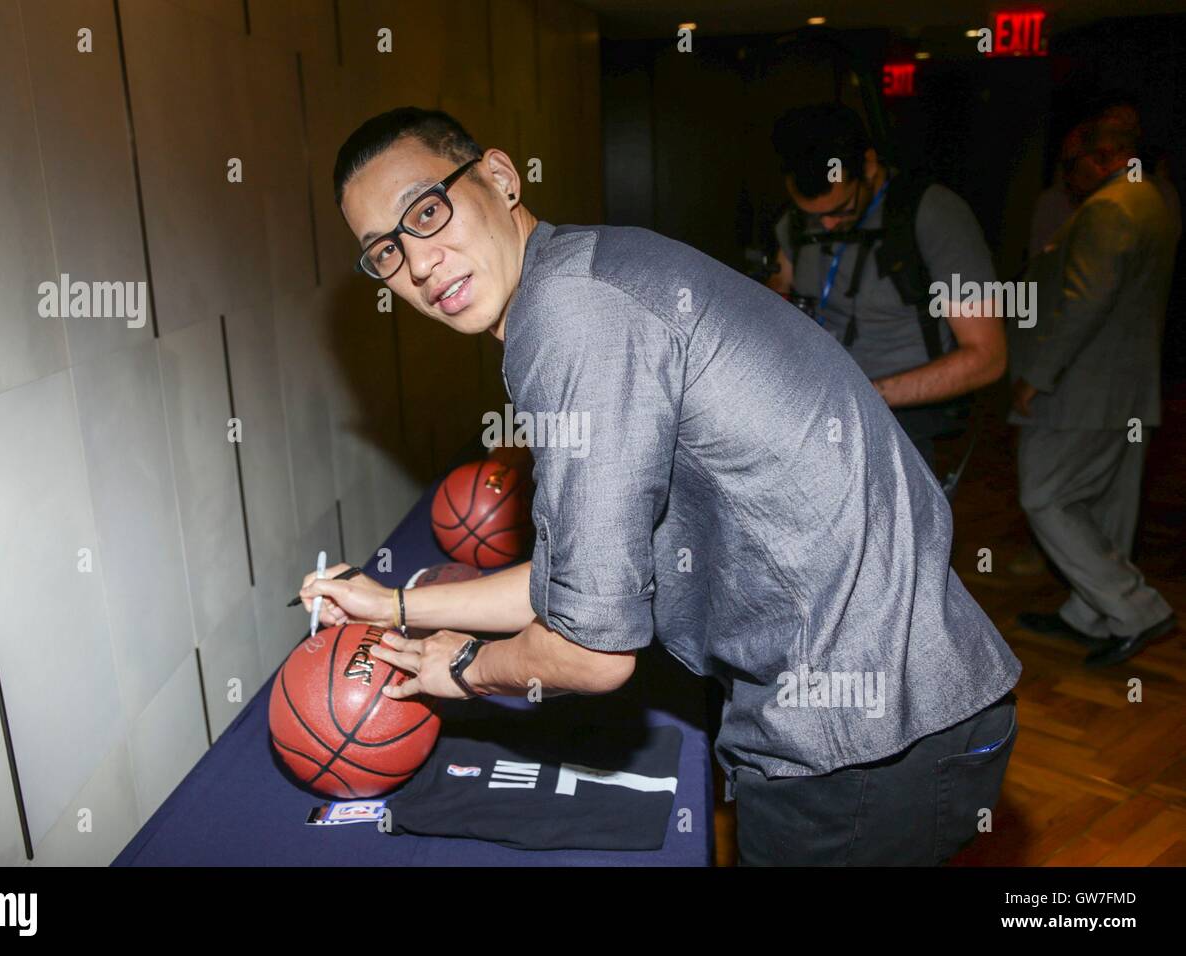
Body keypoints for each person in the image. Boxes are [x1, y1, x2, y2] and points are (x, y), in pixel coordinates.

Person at [301, 106, 1021, 865]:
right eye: (383, 250)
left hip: (863, 748)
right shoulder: (586, 272)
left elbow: (588, 648)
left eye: (426, 210)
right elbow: (575, 588)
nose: (417, 264)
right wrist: (397, 605)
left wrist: (464, 668)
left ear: (501, 179)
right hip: (922, 710)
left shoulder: (572, 317)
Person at [1011, 105, 1179, 666]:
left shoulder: (1108, 209)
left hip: (1085, 388)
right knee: (1107, 506)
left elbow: (1085, 303)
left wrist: (1037, 376)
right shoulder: (1155, 202)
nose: (1066, 178)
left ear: (1106, 156)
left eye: (1072, 163)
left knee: (1045, 494)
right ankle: (1090, 613)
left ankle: (1136, 609)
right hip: (1130, 388)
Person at [767, 103, 1007, 475]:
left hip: (902, 422)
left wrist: (865, 397)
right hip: (816, 413)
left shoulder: (934, 214)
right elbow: (779, 293)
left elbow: (987, 356)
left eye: (842, 208)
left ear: (869, 165)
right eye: (815, 215)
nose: (828, 224)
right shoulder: (797, 221)